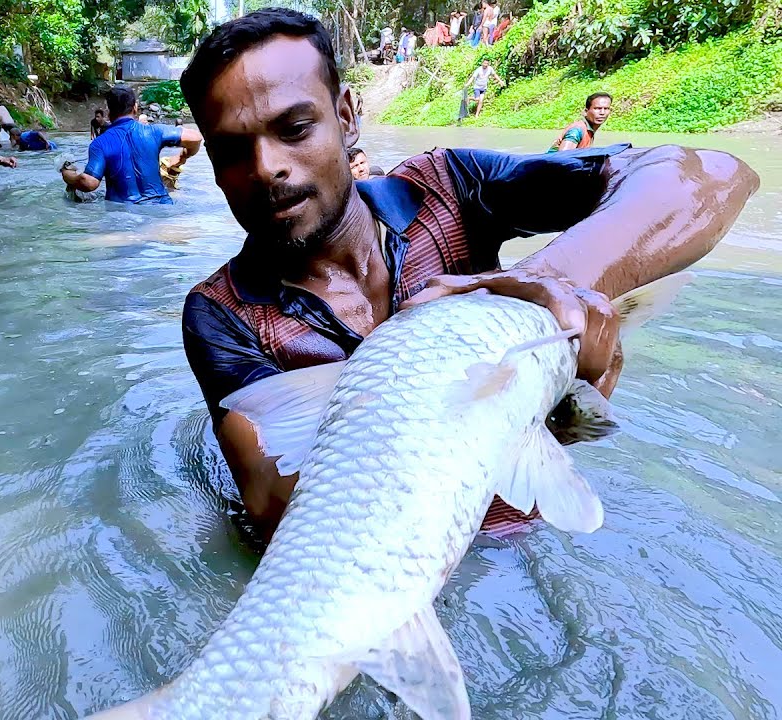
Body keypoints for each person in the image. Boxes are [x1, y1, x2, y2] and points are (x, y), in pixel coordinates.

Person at [175, 8, 758, 542]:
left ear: (347, 119)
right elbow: (277, 506)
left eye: (295, 128)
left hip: (525, 542)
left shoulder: (449, 187)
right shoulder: (221, 312)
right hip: (387, 577)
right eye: (231, 151)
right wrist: (514, 389)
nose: (266, 166)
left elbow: (709, 175)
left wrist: (541, 298)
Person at [60, 84, 203, 205]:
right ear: (135, 108)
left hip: (124, 219)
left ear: (109, 113)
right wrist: (181, 157)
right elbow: (195, 138)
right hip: (163, 208)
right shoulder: (154, 132)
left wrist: (68, 175)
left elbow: (88, 182)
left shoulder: (100, 143)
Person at [549, 92, 613, 153]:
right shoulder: (576, 131)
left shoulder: (589, 130)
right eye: (597, 108)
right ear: (586, 111)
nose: (602, 113)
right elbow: (562, 158)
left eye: (606, 109)